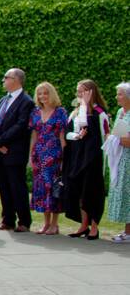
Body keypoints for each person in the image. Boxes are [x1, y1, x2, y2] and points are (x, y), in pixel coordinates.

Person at [62, 79, 111, 240]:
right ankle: (83, 224)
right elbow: (67, 132)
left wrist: (86, 105)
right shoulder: (75, 112)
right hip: (76, 156)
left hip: (92, 158)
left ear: (91, 92)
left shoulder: (98, 112)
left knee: (91, 191)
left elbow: (98, 132)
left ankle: (94, 226)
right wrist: (75, 135)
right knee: (78, 190)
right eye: (78, 91)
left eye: (83, 91)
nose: (80, 94)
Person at [0, 67, 35, 233]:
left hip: (13, 151)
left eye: (6, 77)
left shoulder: (26, 101)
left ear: (17, 80)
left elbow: (21, 126)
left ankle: (24, 221)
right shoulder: (3, 100)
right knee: (4, 186)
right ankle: (7, 220)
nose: (3, 80)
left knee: (17, 186)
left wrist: (2, 140)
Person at [27, 82, 67, 235]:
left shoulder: (60, 112)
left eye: (45, 93)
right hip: (39, 155)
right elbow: (34, 135)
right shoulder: (35, 112)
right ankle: (46, 223)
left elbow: (63, 137)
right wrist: (31, 156)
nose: (42, 96)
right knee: (42, 189)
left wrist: (65, 159)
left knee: (54, 188)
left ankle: (55, 225)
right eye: (40, 93)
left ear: (52, 94)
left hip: (54, 155)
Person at [106, 82, 130, 244]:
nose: (117, 97)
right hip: (121, 158)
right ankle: (127, 230)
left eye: (120, 94)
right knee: (123, 191)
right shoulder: (121, 112)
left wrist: (116, 139)